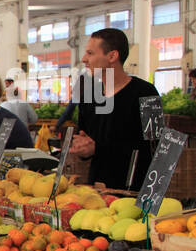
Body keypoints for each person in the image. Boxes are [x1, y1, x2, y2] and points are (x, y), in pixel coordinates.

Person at [68, 28, 160, 189]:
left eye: (90, 53)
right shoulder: (88, 97)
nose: (84, 59)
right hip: (97, 189)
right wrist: (81, 148)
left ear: (112, 56)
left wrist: (98, 148)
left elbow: (154, 147)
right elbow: (85, 139)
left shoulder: (146, 93)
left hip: (133, 190)